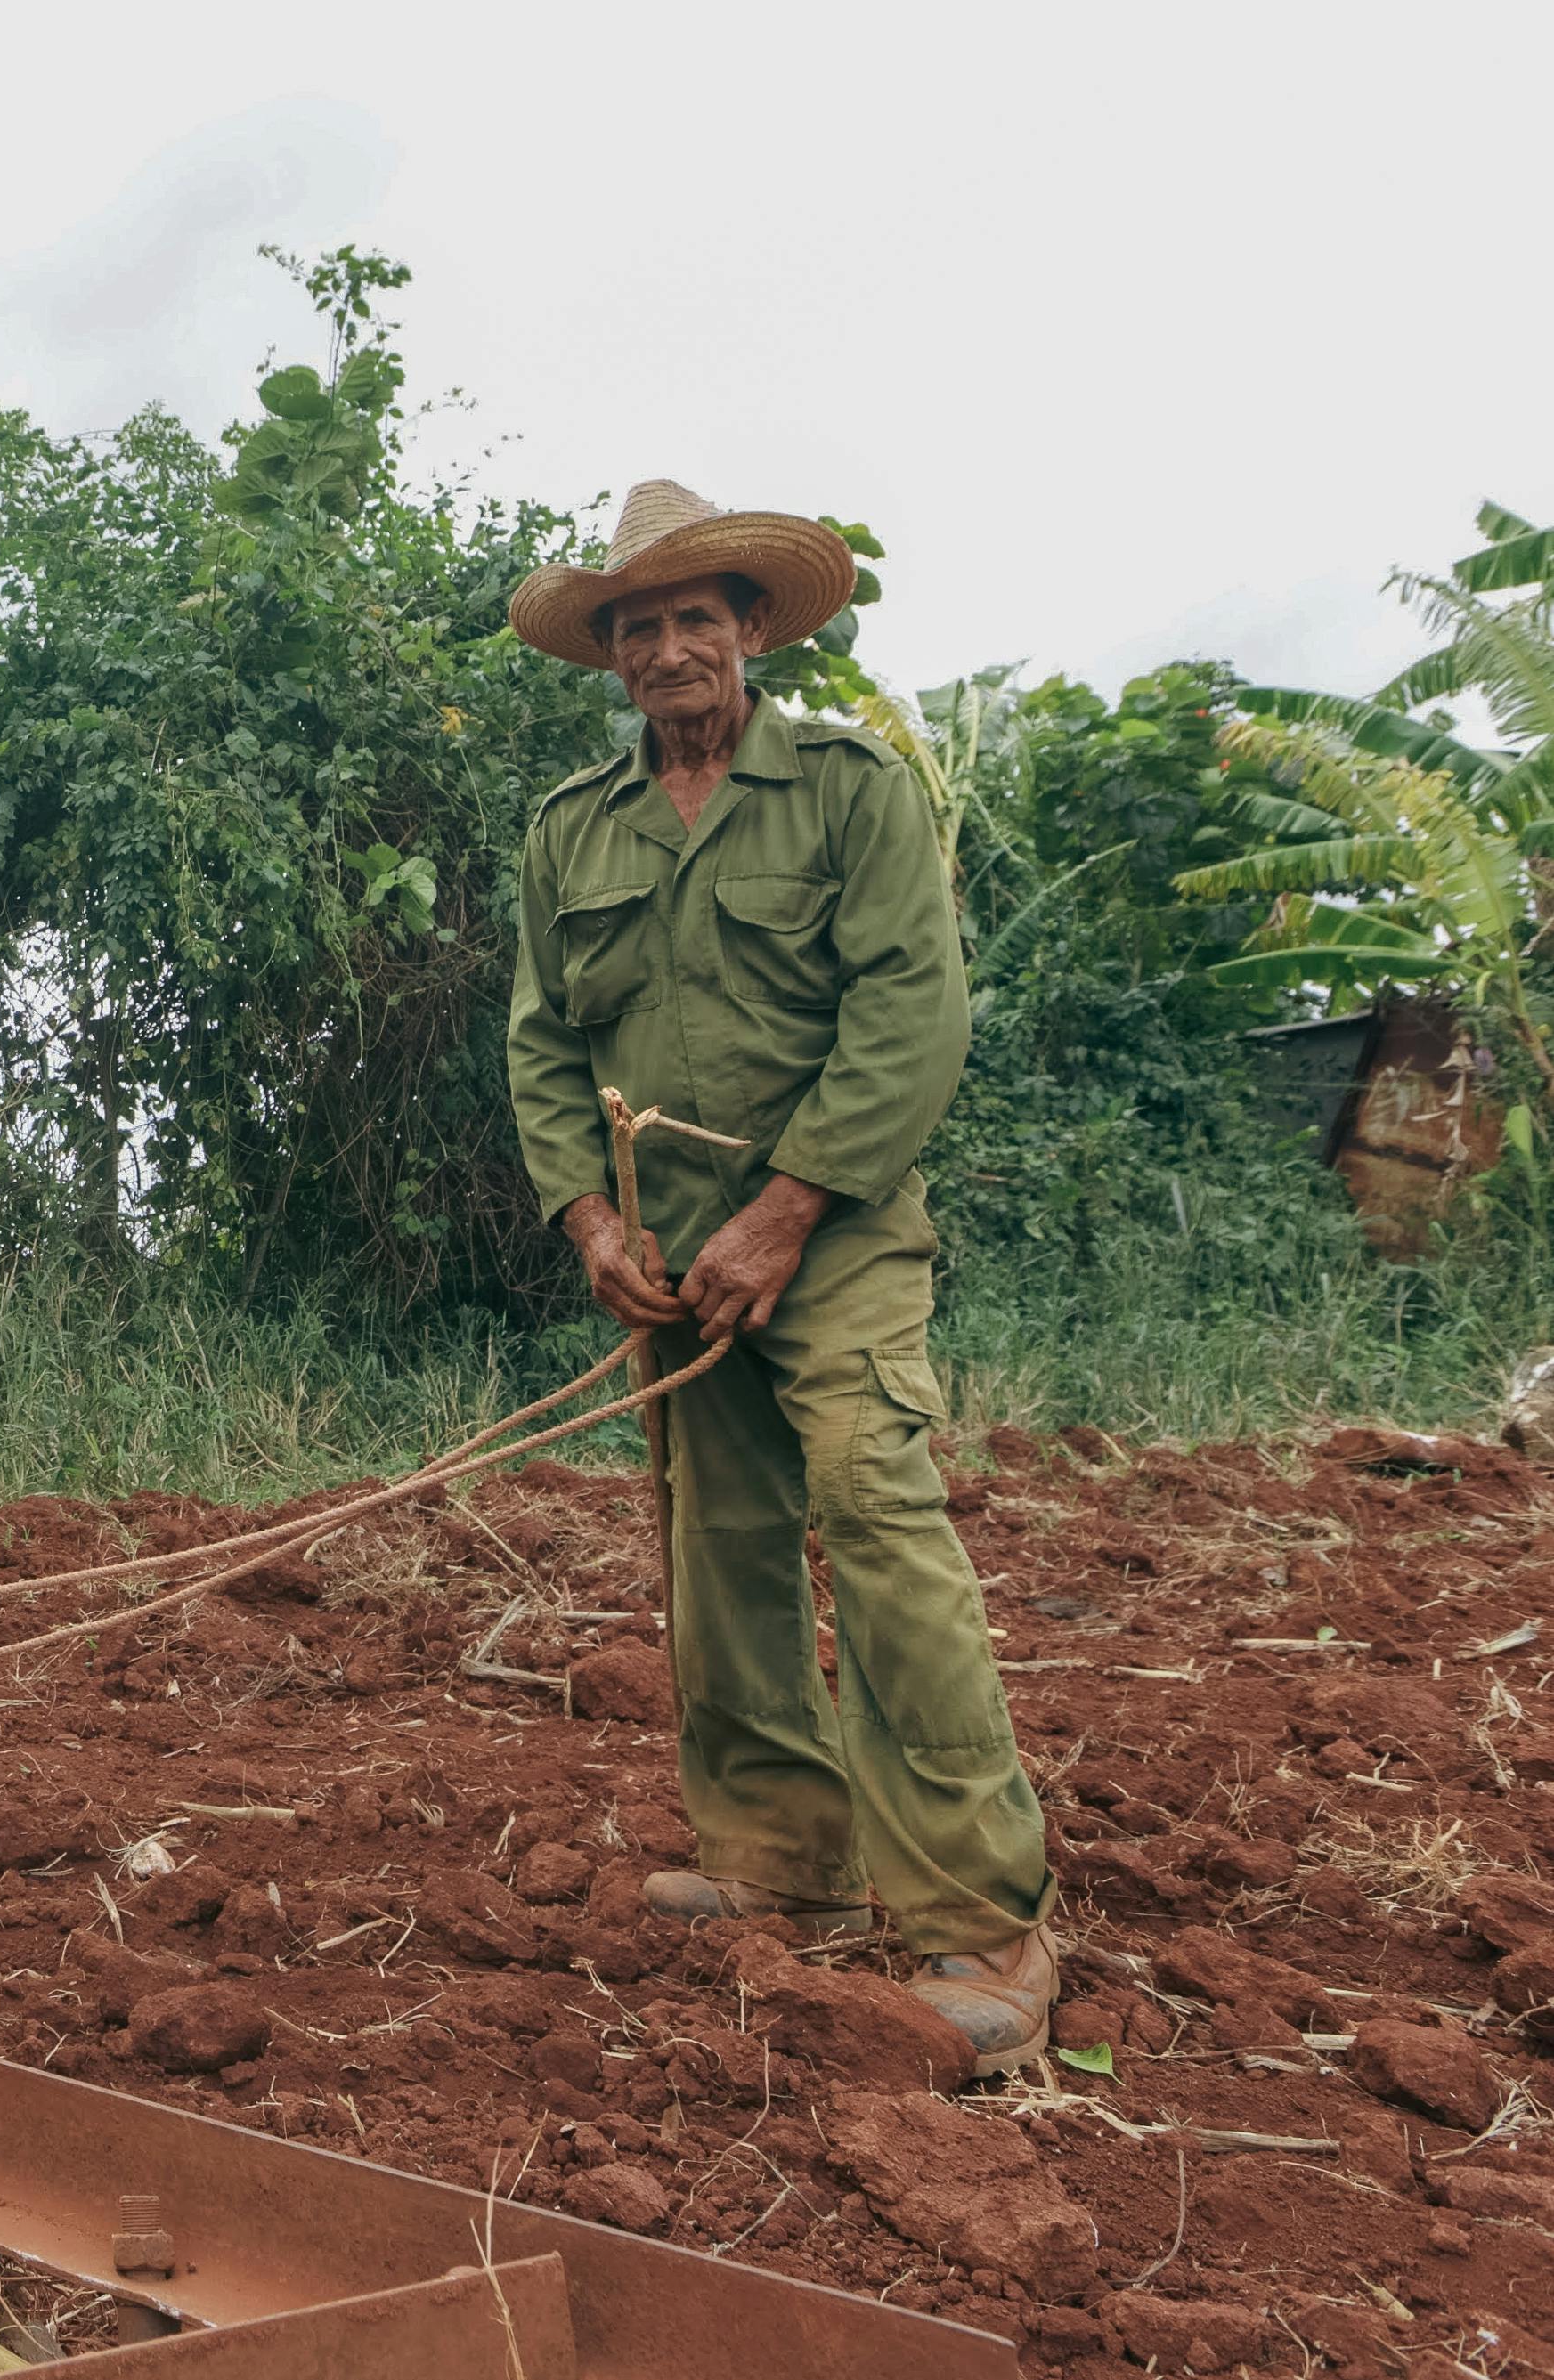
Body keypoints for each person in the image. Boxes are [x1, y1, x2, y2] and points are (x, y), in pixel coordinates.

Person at [501, 481, 1056, 2068]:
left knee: (876, 1508)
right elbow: (543, 1044)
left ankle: (985, 1916)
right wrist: (591, 1225)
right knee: (722, 1534)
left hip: (839, 1229)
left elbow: (913, 1013)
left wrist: (793, 1204)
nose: (667, 648)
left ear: (752, 628)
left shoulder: (851, 793)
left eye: (696, 616)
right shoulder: (571, 830)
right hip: (667, 1249)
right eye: (636, 626)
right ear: (611, 652)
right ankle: (778, 1863)